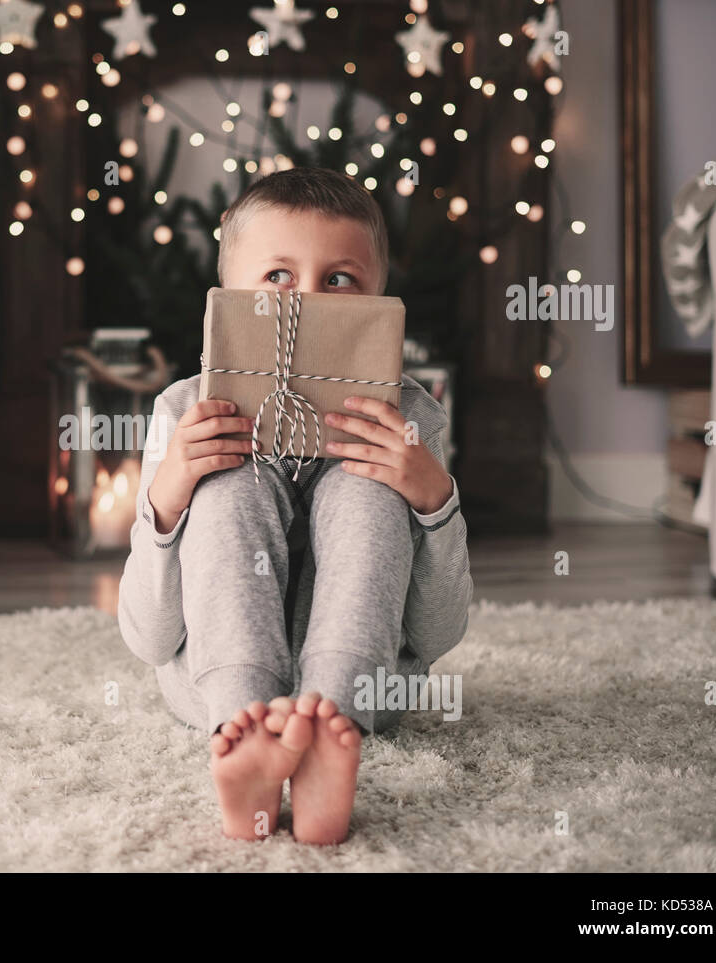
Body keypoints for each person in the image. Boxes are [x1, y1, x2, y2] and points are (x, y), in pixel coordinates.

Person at [117, 167, 472, 844]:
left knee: (367, 485)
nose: (305, 300)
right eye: (277, 276)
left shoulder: (413, 420)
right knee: (226, 483)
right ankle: (249, 730)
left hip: (363, 698)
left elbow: (435, 634)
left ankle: (321, 739)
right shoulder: (181, 414)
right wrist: (169, 496)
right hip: (210, 687)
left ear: (379, 298)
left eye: (339, 279)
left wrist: (433, 499)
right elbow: (149, 637)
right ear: (226, 296)